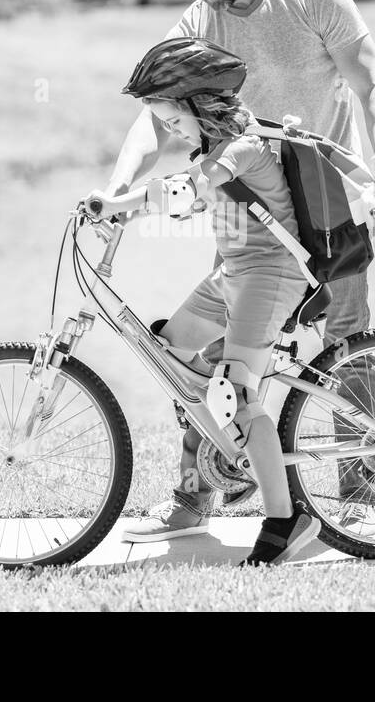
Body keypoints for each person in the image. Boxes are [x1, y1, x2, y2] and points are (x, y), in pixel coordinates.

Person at [105, 0, 375, 541]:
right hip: (250, 216)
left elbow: (370, 80)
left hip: (326, 212)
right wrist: (119, 186)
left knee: (343, 345)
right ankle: (200, 492)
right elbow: (157, 116)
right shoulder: (199, 19)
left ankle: (362, 493)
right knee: (199, 355)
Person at [85, 36, 320, 566]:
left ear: (198, 105)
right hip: (234, 273)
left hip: (269, 275)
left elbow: (185, 191)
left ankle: (287, 520)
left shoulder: (240, 147)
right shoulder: (213, 151)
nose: (170, 131)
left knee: (236, 393)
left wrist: (117, 199)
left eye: (172, 121)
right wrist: (126, 211)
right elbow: (193, 199)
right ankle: (226, 460)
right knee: (169, 351)